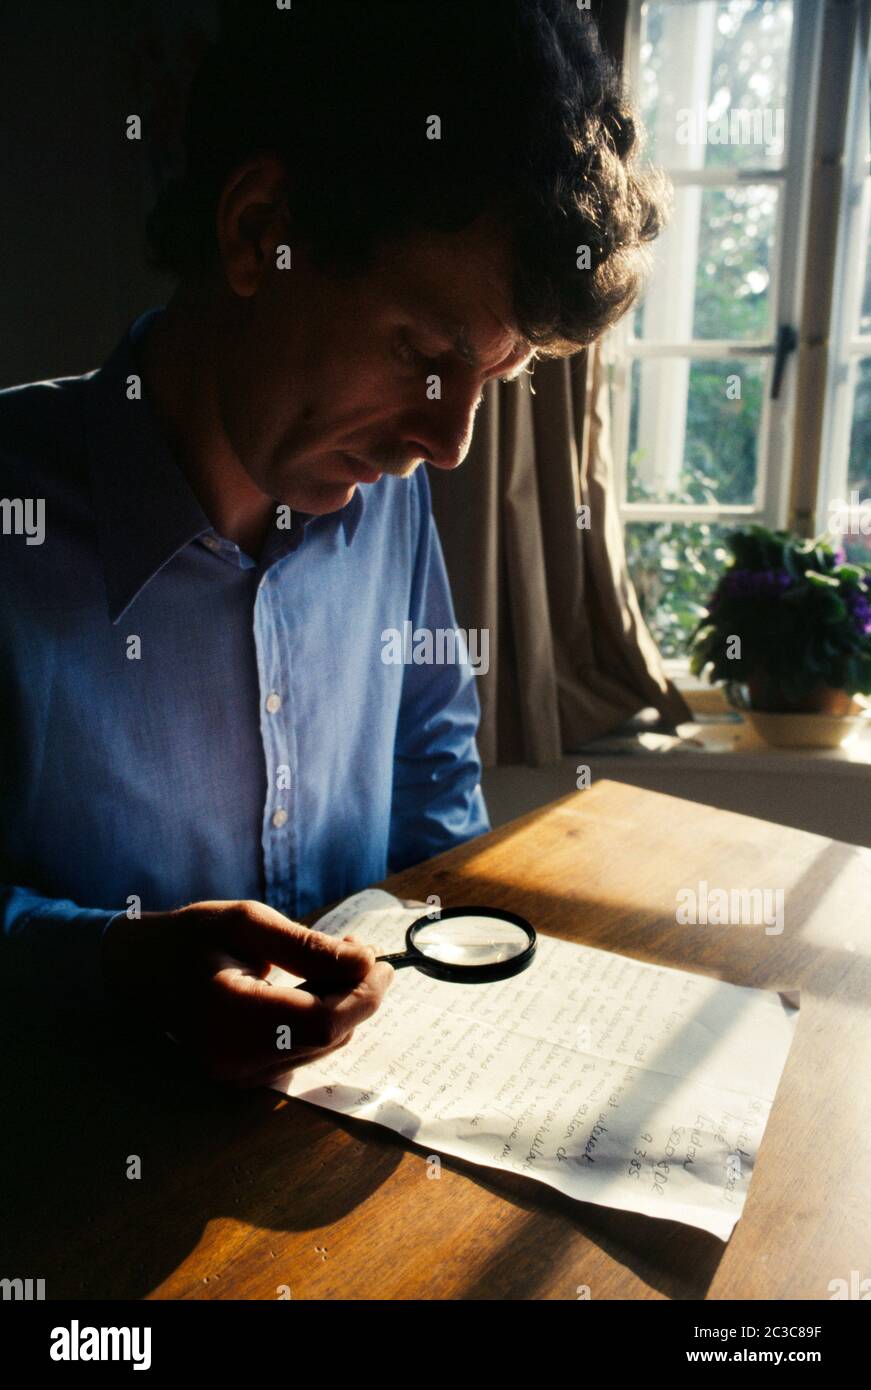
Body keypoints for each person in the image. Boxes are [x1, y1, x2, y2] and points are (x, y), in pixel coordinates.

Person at [0, 0, 664, 1087]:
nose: (448, 444)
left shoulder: (385, 494)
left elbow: (430, 767)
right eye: (420, 352)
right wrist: (111, 963)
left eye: (491, 382)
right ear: (262, 230)